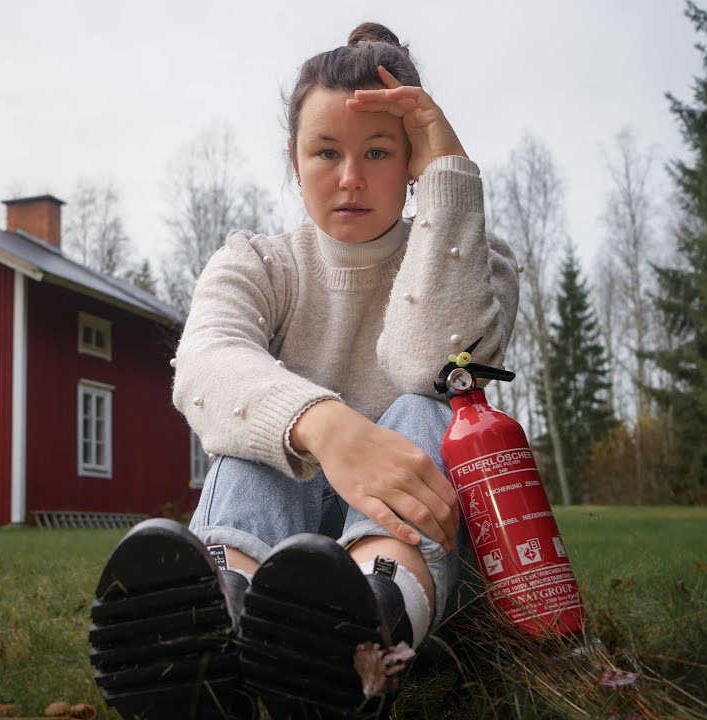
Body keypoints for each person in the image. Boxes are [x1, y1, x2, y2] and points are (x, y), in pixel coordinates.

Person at [89, 21, 519, 719]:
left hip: (428, 555)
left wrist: (448, 185)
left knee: (423, 409)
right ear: (294, 159)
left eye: (378, 151)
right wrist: (326, 429)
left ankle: (370, 629)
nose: (349, 178)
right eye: (326, 153)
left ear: (412, 162)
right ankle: (221, 625)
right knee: (260, 431)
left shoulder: (477, 257)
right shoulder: (258, 264)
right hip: (281, 527)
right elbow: (205, 366)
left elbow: (434, 367)